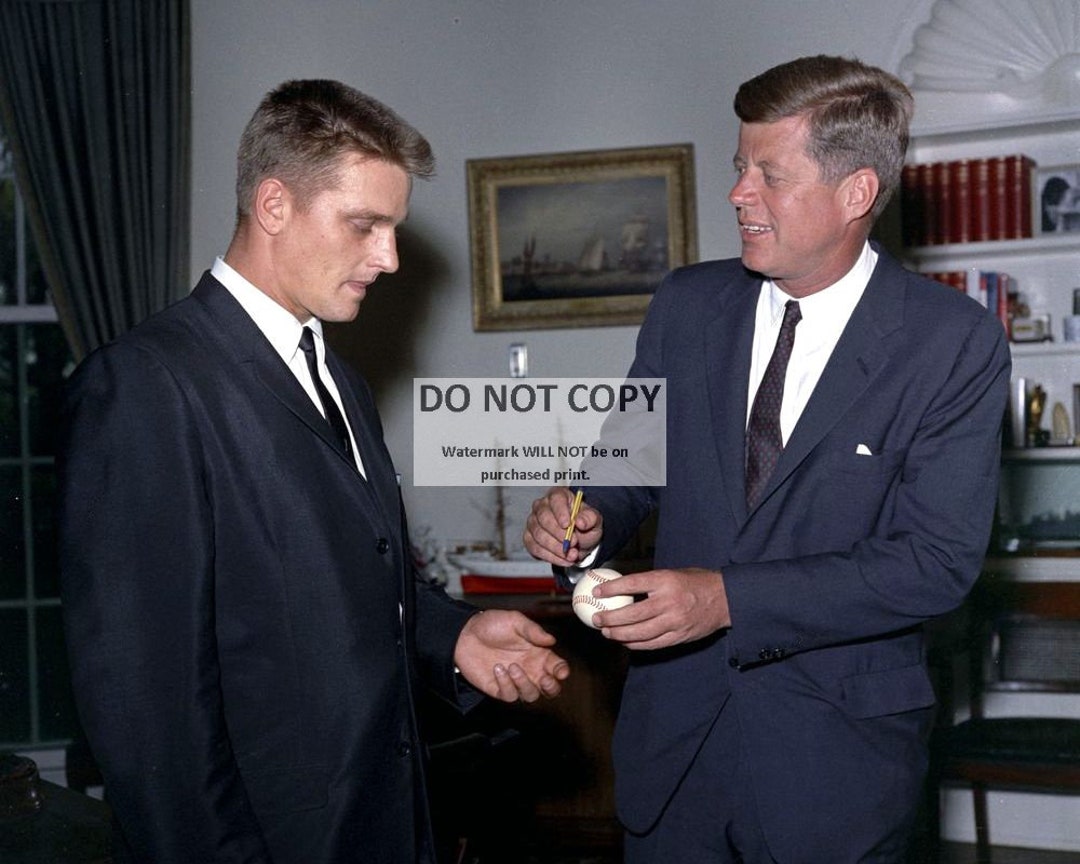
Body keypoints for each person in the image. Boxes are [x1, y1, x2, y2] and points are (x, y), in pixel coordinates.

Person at [58, 79, 569, 864]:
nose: (389, 257)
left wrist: (452, 637)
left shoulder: (338, 376)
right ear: (273, 205)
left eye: (393, 229)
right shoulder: (147, 386)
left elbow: (337, 586)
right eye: (365, 225)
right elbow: (146, 712)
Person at [525, 55, 1009, 864]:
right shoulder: (686, 305)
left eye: (768, 174)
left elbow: (934, 563)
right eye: (738, 166)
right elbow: (626, 468)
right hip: (673, 755)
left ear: (856, 194)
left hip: (836, 767)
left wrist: (728, 600)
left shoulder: (952, 342)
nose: (738, 194)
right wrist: (583, 517)